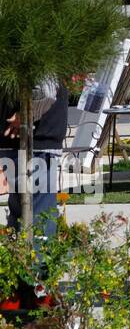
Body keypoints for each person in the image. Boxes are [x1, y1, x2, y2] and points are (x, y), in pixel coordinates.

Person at [0, 78, 68, 238]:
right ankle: (36, 261)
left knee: (20, 214)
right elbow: (45, 89)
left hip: (20, 140)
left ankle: (19, 259)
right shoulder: (46, 54)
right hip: (35, 143)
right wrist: (26, 116)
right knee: (40, 218)